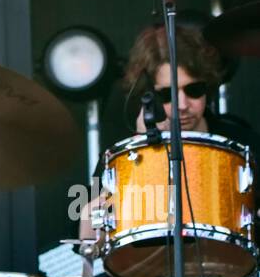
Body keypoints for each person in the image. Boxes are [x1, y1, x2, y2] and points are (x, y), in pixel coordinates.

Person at [78, 24, 257, 254]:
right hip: (147, 276)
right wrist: (143, 149)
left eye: (194, 90)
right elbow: (87, 237)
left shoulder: (244, 144)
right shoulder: (120, 157)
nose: (182, 105)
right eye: (167, 94)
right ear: (147, 96)